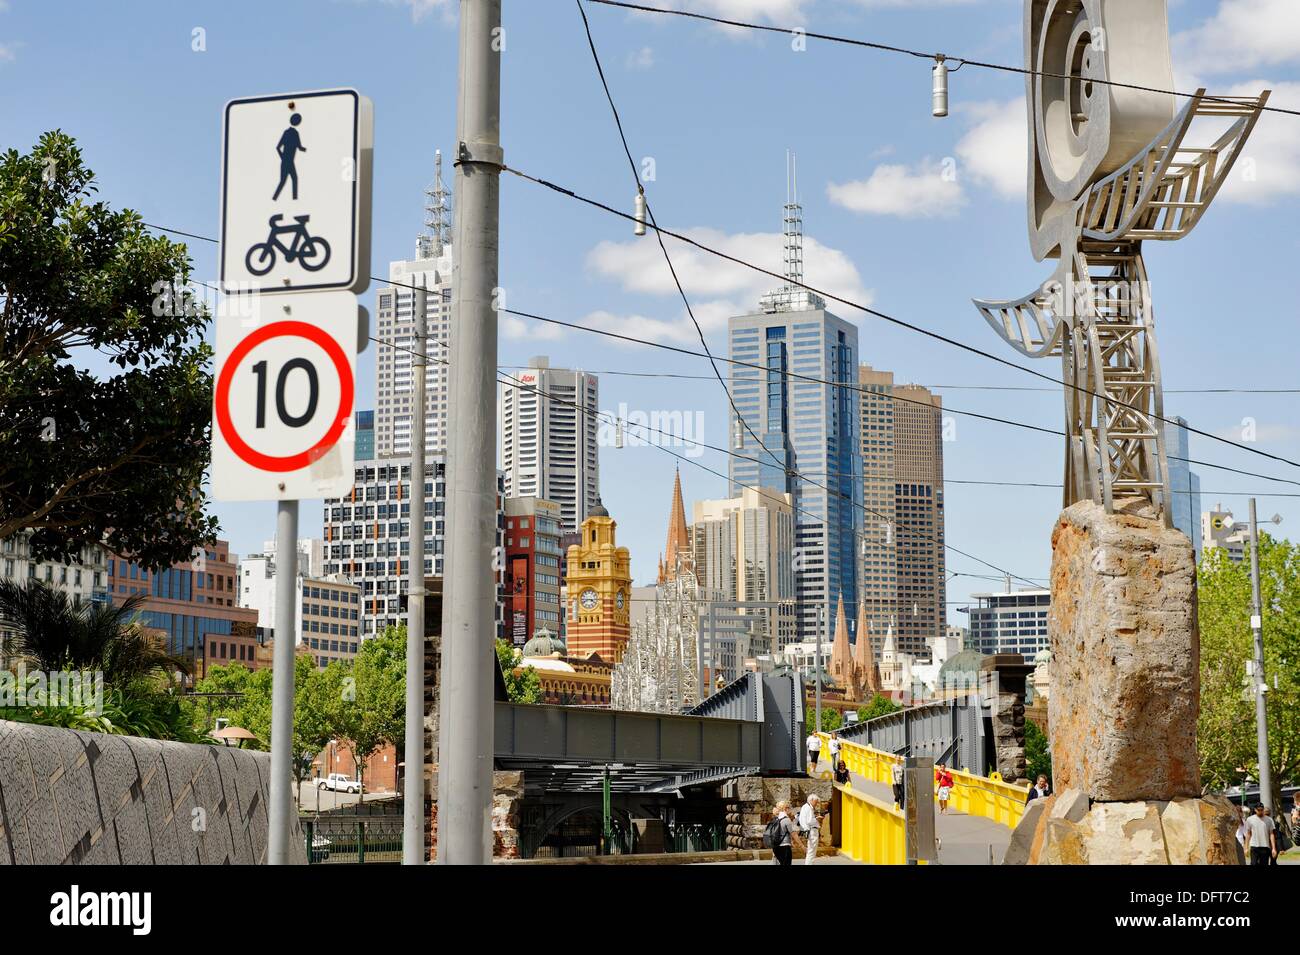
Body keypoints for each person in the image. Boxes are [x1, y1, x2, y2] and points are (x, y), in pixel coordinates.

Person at [273, 113, 307, 201]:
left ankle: (294, 200)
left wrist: (307, 149)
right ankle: (274, 199)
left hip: (289, 162)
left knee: (294, 179)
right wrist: (283, 158)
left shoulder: (295, 133)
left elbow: (299, 147)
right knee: (283, 181)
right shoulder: (289, 133)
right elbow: (277, 147)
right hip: (286, 162)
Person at [798, 794, 821, 865]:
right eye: (816, 802)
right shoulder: (808, 808)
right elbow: (809, 821)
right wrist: (817, 819)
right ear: (811, 800)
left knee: (811, 851)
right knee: (811, 852)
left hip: (809, 830)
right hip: (812, 830)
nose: (816, 804)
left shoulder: (806, 807)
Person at [770, 801, 795, 866]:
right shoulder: (786, 819)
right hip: (785, 846)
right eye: (788, 807)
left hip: (776, 846)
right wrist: (802, 846)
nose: (790, 809)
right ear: (785, 808)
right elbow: (793, 833)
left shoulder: (776, 819)